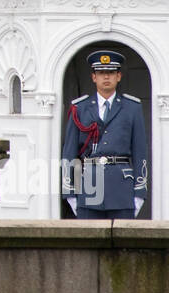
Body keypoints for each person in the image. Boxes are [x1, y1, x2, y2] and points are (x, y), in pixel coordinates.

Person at [61, 50, 149, 219]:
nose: (106, 77)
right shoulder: (80, 108)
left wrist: (139, 193)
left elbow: (140, 153)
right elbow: (69, 153)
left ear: (119, 76)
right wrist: (70, 193)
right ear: (94, 77)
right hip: (88, 190)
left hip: (122, 191)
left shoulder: (132, 108)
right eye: (101, 73)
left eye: (111, 72)